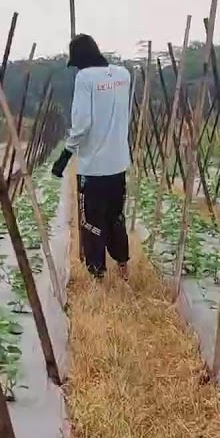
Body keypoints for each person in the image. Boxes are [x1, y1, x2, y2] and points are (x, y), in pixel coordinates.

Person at [52, 34, 132, 281]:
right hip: (118, 164)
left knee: (92, 222)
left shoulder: (84, 78)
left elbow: (82, 123)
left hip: (94, 168)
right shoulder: (123, 75)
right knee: (116, 217)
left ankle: (98, 277)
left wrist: (66, 155)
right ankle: (123, 269)